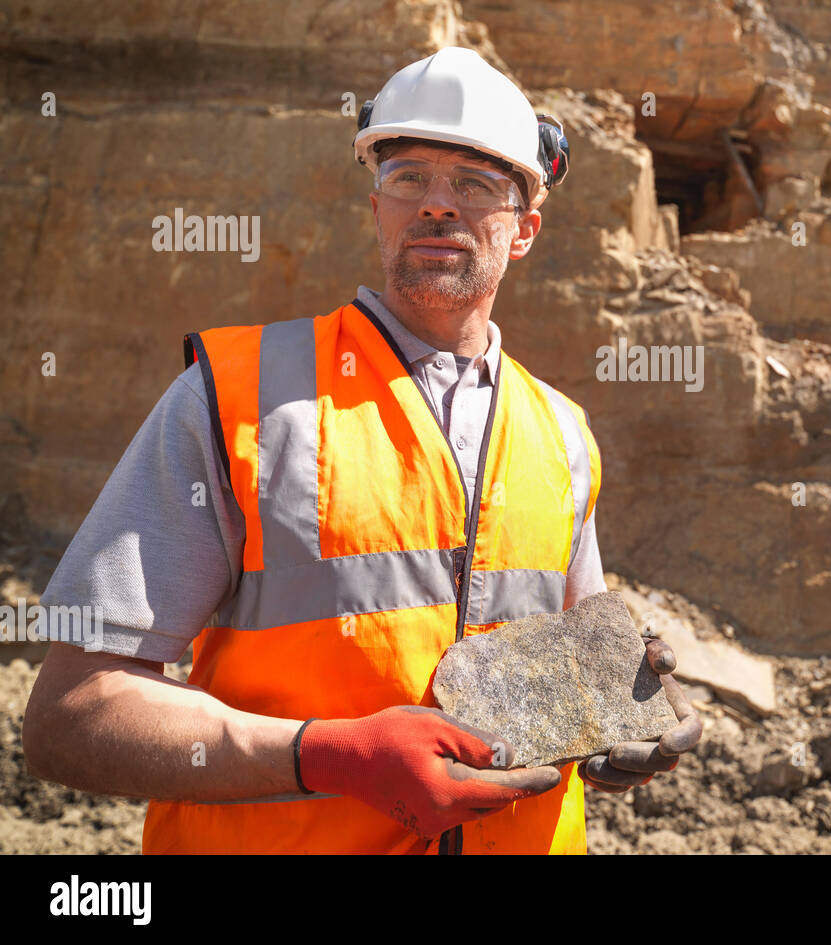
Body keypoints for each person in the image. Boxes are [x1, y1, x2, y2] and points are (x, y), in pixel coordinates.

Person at [23, 46, 701, 854]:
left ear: (525, 229)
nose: (437, 205)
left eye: (476, 184)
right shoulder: (236, 398)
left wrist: (623, 715)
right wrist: (327, 756)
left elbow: (577, 683)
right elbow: (70, 716)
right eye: (407, 176)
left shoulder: (562, 433)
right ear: (377, 205)